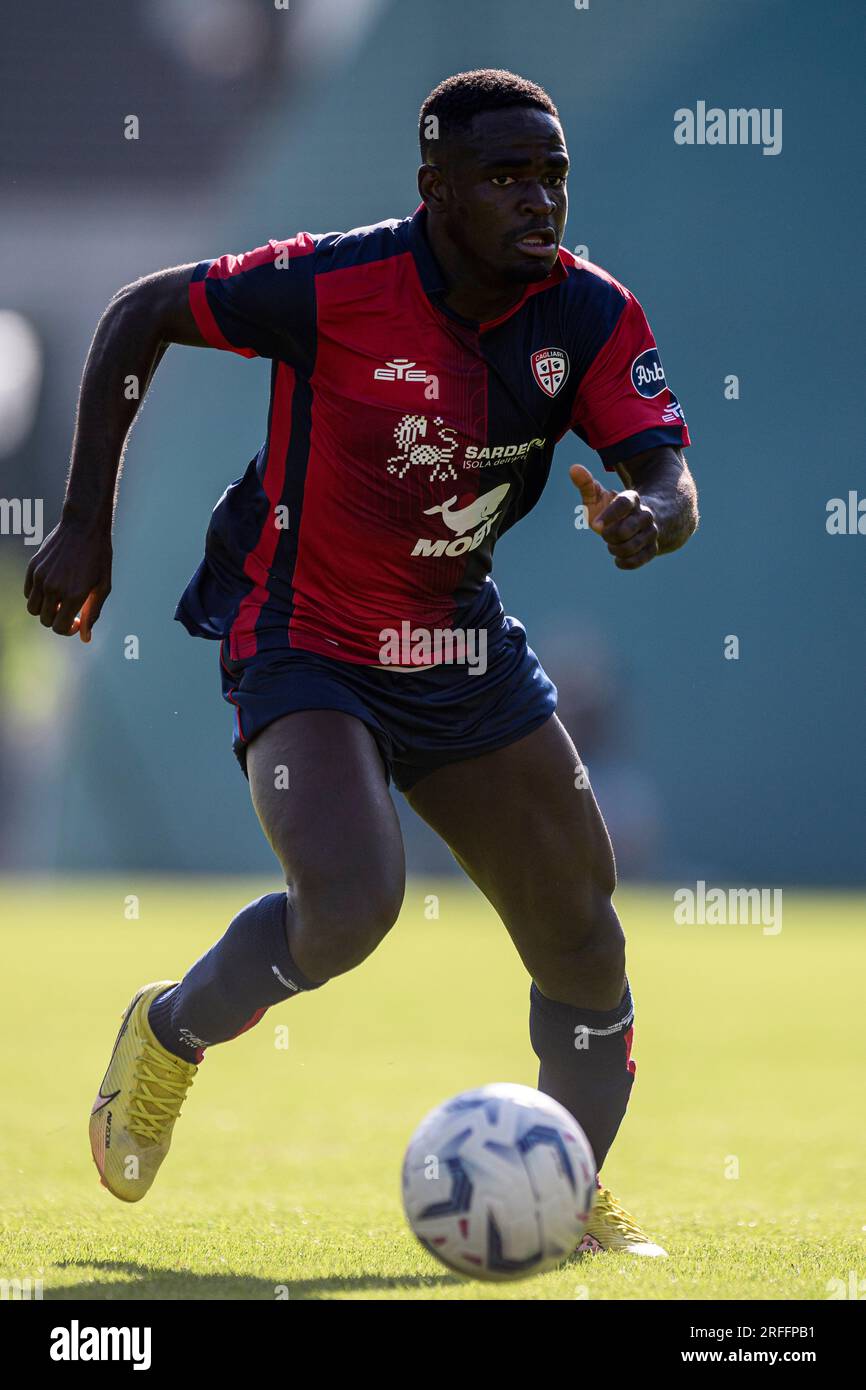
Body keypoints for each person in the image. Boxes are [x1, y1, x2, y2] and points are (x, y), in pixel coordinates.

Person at [25, 69, 697, 1258]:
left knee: (584, 931)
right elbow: (142, 312)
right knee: (349, 904)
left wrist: (651, 512)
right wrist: (86, 522)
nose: (537, 200)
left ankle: (563, 1191)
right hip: (304, 632)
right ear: (434, 191)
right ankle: (170, 1034)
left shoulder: (589, 314)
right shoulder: (333, 283)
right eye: (504, 178)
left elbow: (664, 471)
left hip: (455, 637)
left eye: (550, 175)